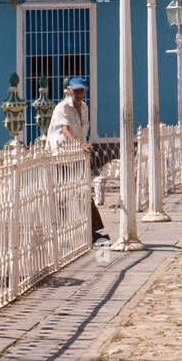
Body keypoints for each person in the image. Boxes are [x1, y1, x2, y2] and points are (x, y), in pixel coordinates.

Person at [47, 77, 108, 243]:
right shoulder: (62, 107)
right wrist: (79, 144)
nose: (79, 94)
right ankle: (59, 231)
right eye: (76, 90)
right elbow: (65, 130)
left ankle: (92, 231)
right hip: (61, 155)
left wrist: (82, 147)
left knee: (83, 191)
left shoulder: (84, 107)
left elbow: (82, 129)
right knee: (62, 194)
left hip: (76, 155)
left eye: (82, 90)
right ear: (69, 90)